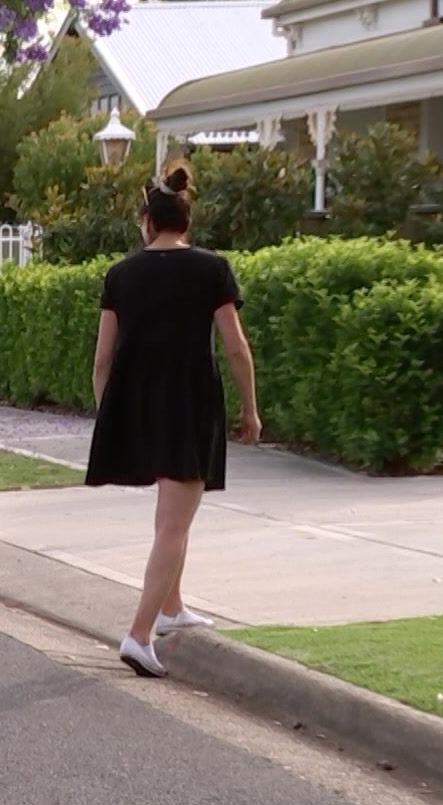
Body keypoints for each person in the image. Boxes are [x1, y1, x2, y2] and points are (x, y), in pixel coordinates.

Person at [85, 162, 262, 678]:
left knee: (171, 521)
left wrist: (111, 413)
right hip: (190, 404)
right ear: (187, 219)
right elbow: (235, 346)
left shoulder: (121, 274)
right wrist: (249, 407)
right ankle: (139, 634)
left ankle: (171, 608)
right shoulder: (212, 269)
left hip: (140, 406)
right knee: (174, 525)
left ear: (146, 221)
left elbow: (102, 360)